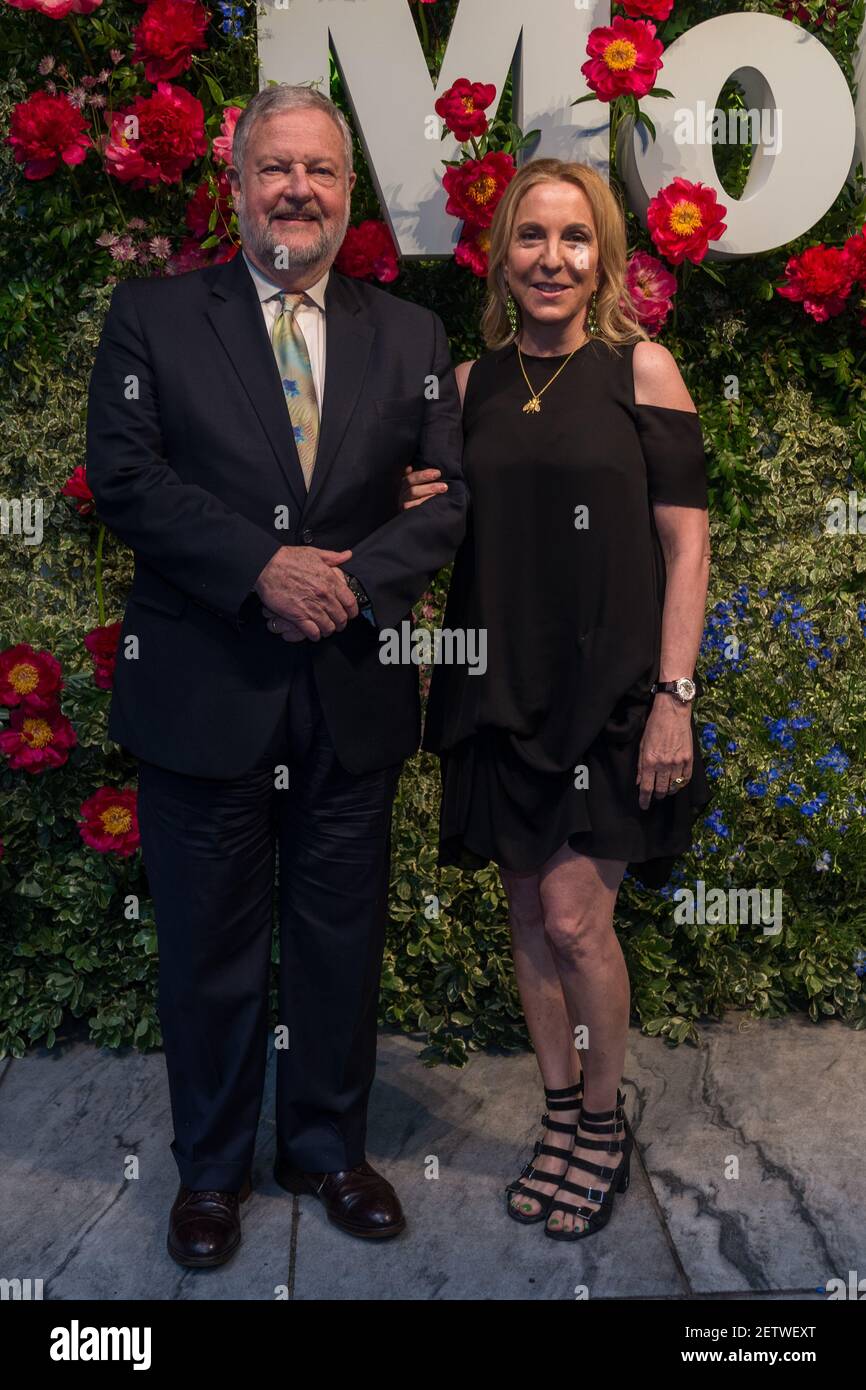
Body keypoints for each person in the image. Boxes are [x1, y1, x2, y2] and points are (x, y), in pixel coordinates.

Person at [85, 83, 467, 1265]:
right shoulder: (153, 316)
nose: (296, 188)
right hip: (207, 694)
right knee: (207, 948)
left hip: (347, 694)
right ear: (235, 184)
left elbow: (448, 495)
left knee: (340, 944)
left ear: (347, 195)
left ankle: (325, 1150)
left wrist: (345, 581)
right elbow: (126, 476)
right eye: (274, 168)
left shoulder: (408, 336)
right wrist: (261, 567)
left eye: (319, 170)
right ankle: (208, 1173)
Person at [401, 158, 712, 1241]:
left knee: (580, 918)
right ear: (501, 258)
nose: (550, 258)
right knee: (527, 914)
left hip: (613, 693)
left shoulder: (643, 370)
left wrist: (674, 695)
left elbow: (686, 545)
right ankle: (555, 1113)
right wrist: (422, 502)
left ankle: (599, 1118)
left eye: (573, 238)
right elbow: (446, 523)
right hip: (496, 685)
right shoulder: (472, 385)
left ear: (602, 259)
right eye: (530, 237)